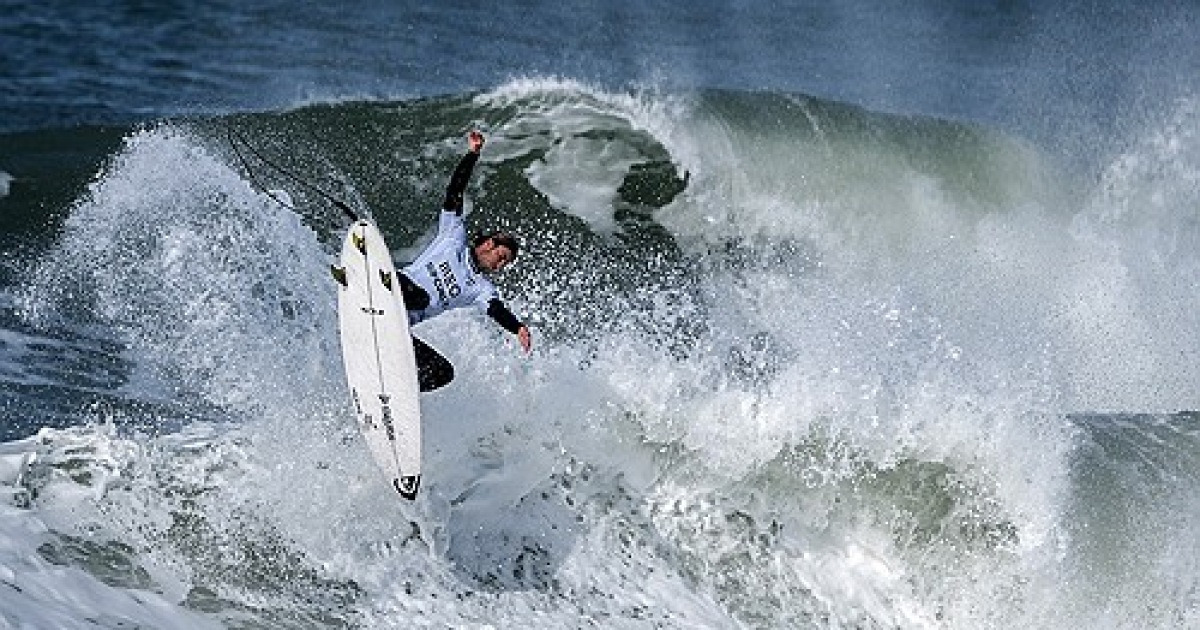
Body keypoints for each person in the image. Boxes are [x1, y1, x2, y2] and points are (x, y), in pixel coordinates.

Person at [397, 130, 531, 392]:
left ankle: (397, 388)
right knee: (420, 297)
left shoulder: (480, 288)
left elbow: (496, 310)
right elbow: (454, 191)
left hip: (400, 326)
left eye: (505, 264)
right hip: (395, 289)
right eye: (501, 258)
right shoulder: (453, 236)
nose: (500, 266)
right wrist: (472, 154)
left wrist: (517, 327)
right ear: (489, 244)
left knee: (442, 373)